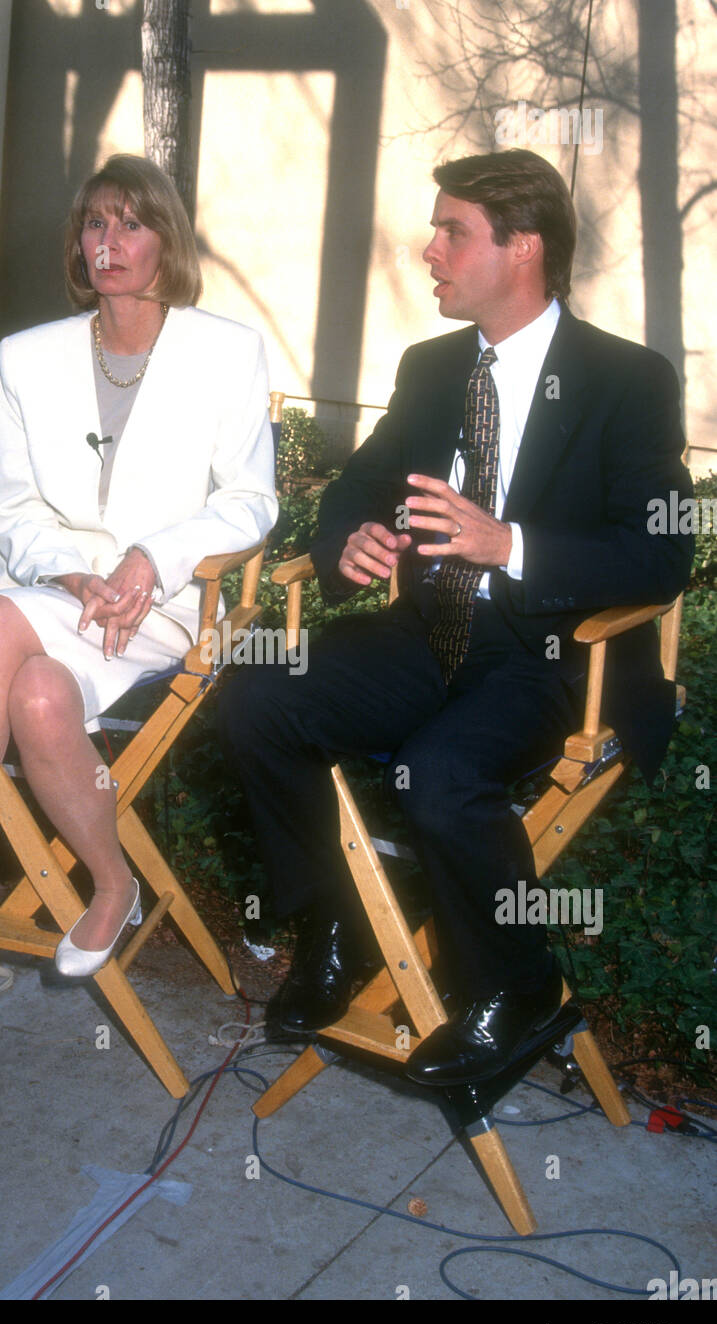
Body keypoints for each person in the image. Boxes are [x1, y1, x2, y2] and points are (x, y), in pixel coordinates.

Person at [217, 148, 694, 1085]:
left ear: (522, 248)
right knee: (257, 691)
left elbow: (661, 551)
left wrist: (506, 544)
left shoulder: (624, 379)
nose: (426, 249)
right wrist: (349, 537)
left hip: (554, 655)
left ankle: (518, 989)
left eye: (451, 232)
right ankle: (338, 932)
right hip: (429, 635)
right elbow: (364, 480)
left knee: (438, 774)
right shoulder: (433, 366)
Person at [0, 153, 277, 983]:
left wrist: (148, 561)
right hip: (46, 591)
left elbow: (252, 502)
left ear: (167, 239)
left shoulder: (228, 352)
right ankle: (113, 883)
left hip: (155, 603)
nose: (109, 241)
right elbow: (12, 508)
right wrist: (65, 573)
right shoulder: (26, 356)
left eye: (132, 222)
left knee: (1, 635)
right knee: (33, 680)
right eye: (95, 222)